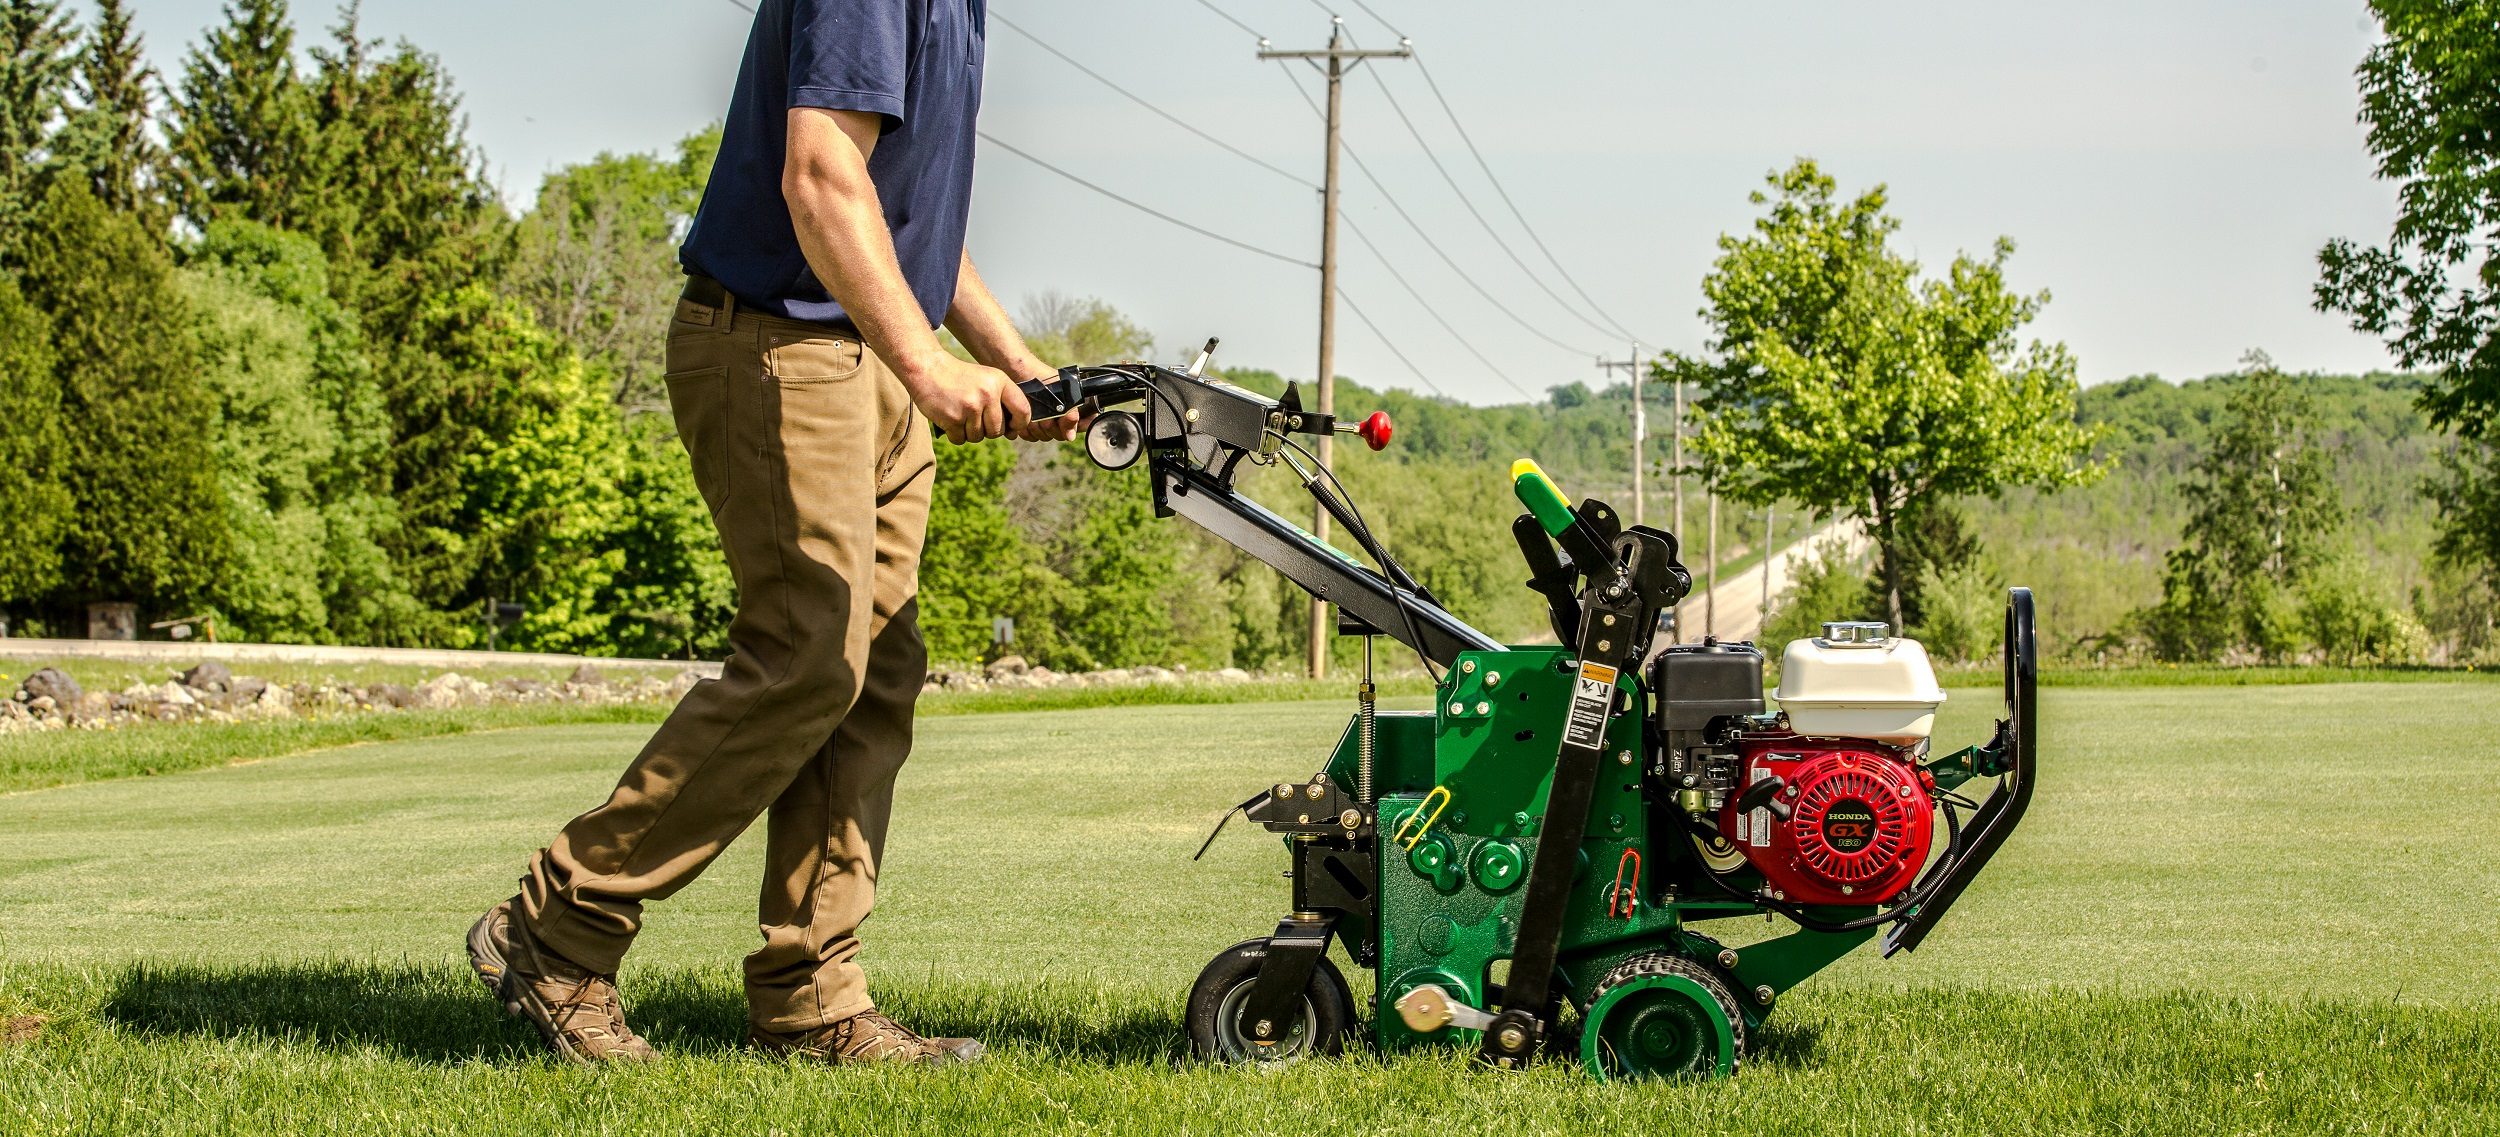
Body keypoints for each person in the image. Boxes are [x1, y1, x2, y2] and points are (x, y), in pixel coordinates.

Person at [467, 0, 1070, 1067]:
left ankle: (811, 998)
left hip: (866, 355)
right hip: (781, 349)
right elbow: (819, 180)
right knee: (806, 658)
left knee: (875, 673)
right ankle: (557, 926)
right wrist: (931, 367)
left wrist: (1012, 358)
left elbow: (901, 208)